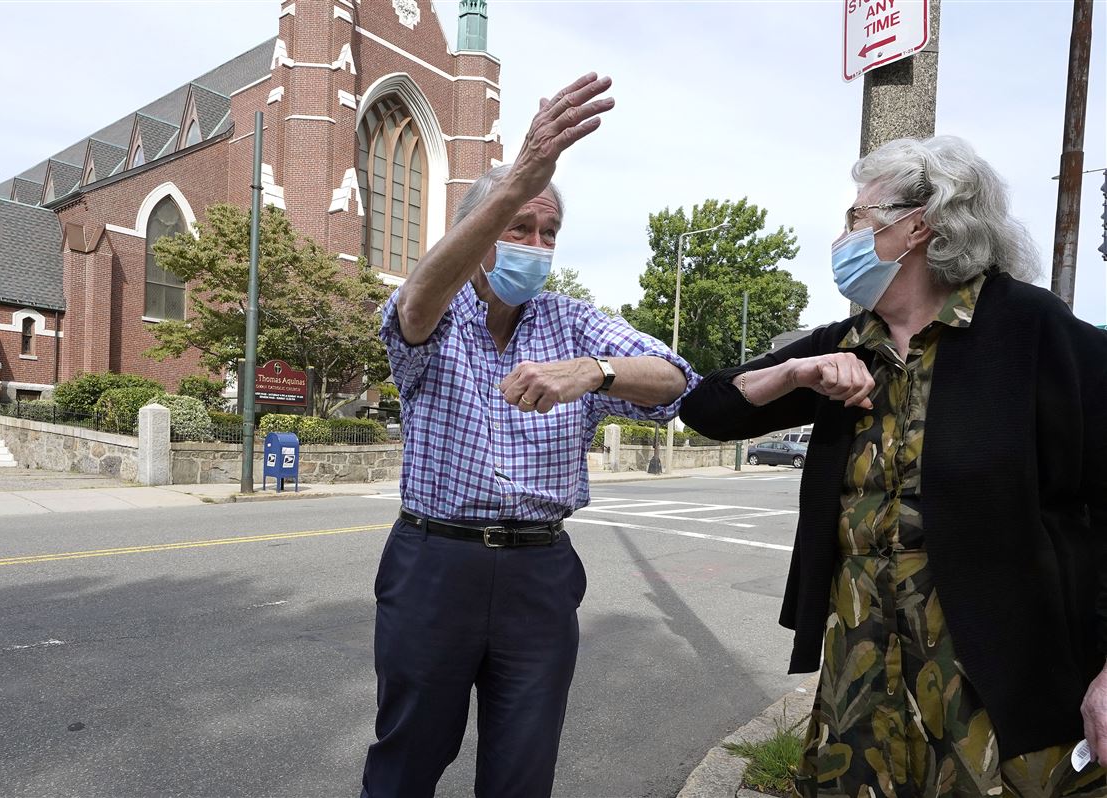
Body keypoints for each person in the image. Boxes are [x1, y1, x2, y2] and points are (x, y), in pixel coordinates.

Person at [680, 135, 1107, 797]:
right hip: (863, 684)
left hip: (996, 692)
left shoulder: (1030, 330)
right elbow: (706, 408)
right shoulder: (848, 345)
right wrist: (794, 371)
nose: (844, 235)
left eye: (857, 217)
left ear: (919, 225)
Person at [361, 73, 697, 798]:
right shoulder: (438, 312)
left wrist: (595, 372)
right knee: (407, 757)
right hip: (434, 564)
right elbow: (415, 303)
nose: (535, 244)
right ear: (479, 233)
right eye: (519, 226)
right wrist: (517, 182)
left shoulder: (570, 319)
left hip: (538, 573)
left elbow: (676, 379)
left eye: (548, 232)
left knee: (523, 768)